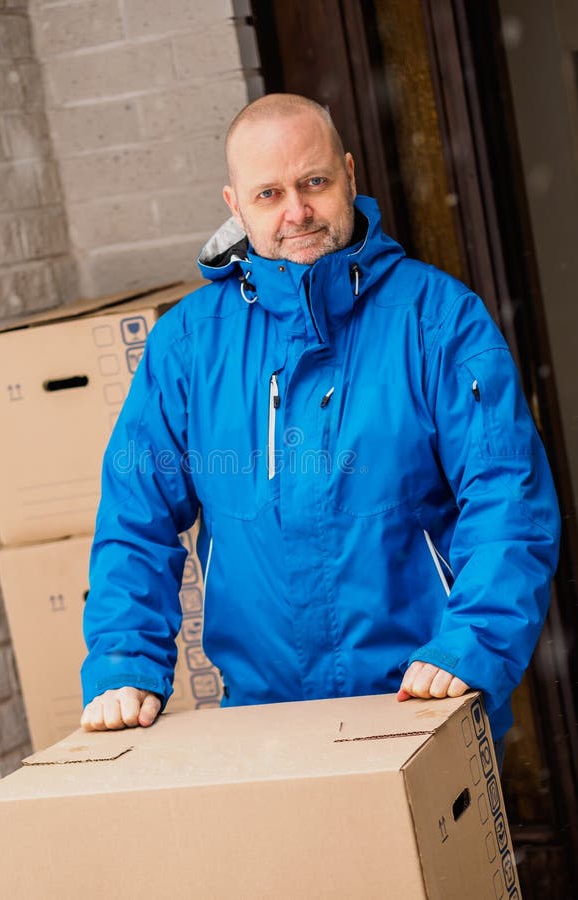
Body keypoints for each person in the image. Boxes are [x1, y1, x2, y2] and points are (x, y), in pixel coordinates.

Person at [80, 94, 560, 757]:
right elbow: (134, 514)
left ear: (349, 176)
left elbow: (507, 499)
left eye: (313, 183)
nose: (296, 212)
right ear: (234, 204)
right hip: (262, 728)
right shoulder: (188, 345)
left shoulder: (438, 319)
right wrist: (124, 660)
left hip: (425, 709)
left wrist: (469, 646)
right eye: (268, 193)